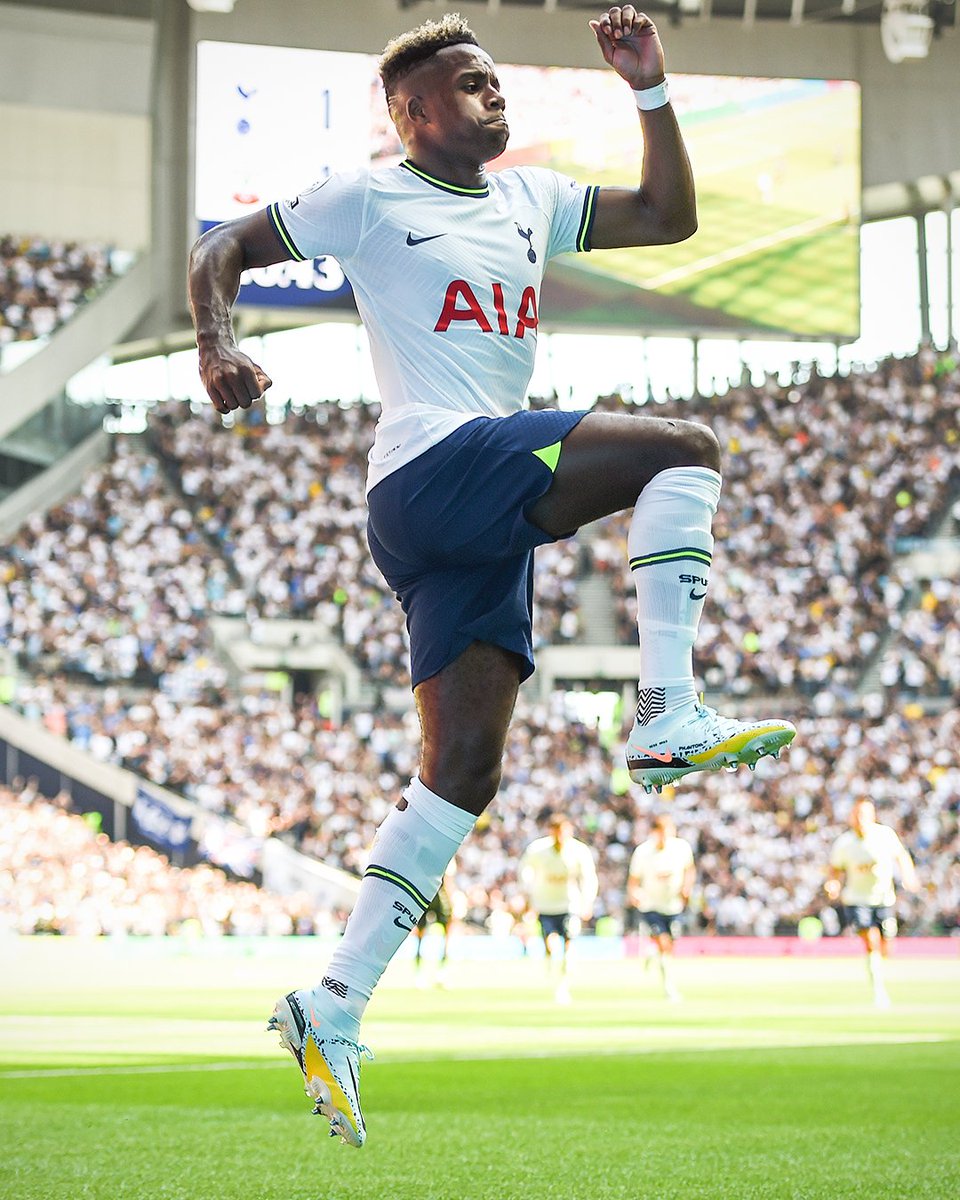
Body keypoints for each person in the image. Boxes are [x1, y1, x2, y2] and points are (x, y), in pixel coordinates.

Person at [190, 6, 795, 1147]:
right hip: (432, 464)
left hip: (461, 516)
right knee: (685, 449)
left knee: (463, 772)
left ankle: (333, 1002)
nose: (494, 93)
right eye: (469, 84)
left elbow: (668, 216)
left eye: (494, 79)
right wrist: (218, 341)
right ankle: (665, 711)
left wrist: (651, 87)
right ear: (413, 113)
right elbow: (217, 247)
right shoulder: (366, 195)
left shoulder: (530, 198)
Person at [824, 798, 918, 1009]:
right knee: (870, 940)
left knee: (886, 946)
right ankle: (879, 991)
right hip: (857, 899)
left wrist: (909, 875)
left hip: (884, 898)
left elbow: (901, 856)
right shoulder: (844, 843)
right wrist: (833, 885)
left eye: (864, 815)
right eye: (857, 815)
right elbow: (835, 869)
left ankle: (878, 970)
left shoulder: (885, 835)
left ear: (873, 816)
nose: (860, 819)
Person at [519, 814, 599, 1004]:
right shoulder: (538, 849)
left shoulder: (579, 850)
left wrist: (587, 901)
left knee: (568, 942)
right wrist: (528, 894)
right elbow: (524, 870)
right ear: (551, 831)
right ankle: (554, 970)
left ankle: (564, 984)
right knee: (551, 944)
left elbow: (589, 877)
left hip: (569, 904)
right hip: (544, 904)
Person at [626, 813, 695, 1001]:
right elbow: (633, 879)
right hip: (651, 905)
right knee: (664, 943)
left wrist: (687, 887)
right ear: (654, 832)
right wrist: (634, 894)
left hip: (673, 905)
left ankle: (653, 952)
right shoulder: (642, 852)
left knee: (669, 945)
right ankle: (669, 987)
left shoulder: (681, 848)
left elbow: (690, 870)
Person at [413, 859, 462, 987]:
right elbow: (449, 881)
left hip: (430, 893)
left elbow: (449, 880)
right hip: (434, 893)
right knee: (422, 935)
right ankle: (432, 973)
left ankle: (436, 973)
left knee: (439, 933)